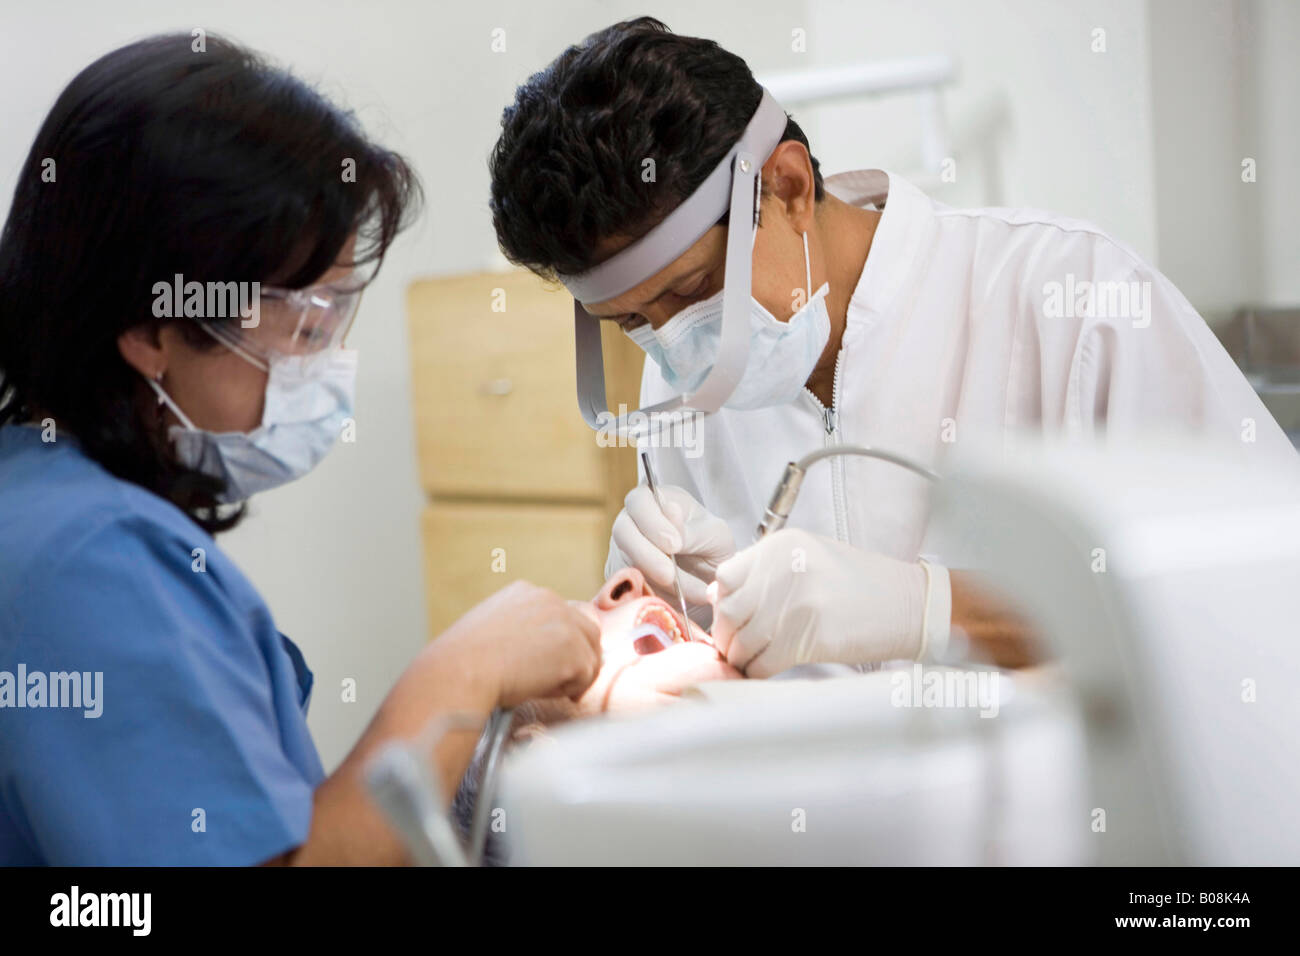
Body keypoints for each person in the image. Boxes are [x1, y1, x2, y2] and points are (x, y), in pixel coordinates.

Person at [487, 17, 1298, 678]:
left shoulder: (1072, 299)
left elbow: (1258, 603)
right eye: (633, 323)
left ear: (790, 188)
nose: (675, 346)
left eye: (694, 293)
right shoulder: (685, 413)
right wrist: (675, 616)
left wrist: (931, 610)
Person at [0, 34, 602, 866]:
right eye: (309, 322)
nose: (330, 361)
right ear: (150, 328)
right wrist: (462, 676)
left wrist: (464, 754)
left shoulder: (48, 500)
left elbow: (263, 816)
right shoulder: (93, 561)